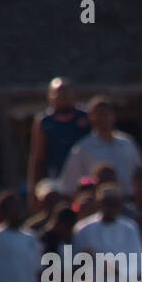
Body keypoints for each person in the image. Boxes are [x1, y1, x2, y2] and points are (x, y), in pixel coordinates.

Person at [58, 96, 142, 196]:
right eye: (98, 114)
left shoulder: (127, 143)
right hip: (99, 204)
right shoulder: (83, 148)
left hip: (128, 201)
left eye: (106, 114)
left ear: (113, 115)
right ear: (91, 118)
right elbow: (69, 184)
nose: (102, 118)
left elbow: (140, 174)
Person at [27, 77, 91, 210]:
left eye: (66, 92)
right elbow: (38, 157)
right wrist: (33, 190)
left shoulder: (85, 118)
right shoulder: (44, 122)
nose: (62, 97)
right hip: (57, 179)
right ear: (50, 97)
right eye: (58, 93)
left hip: (83, 178)